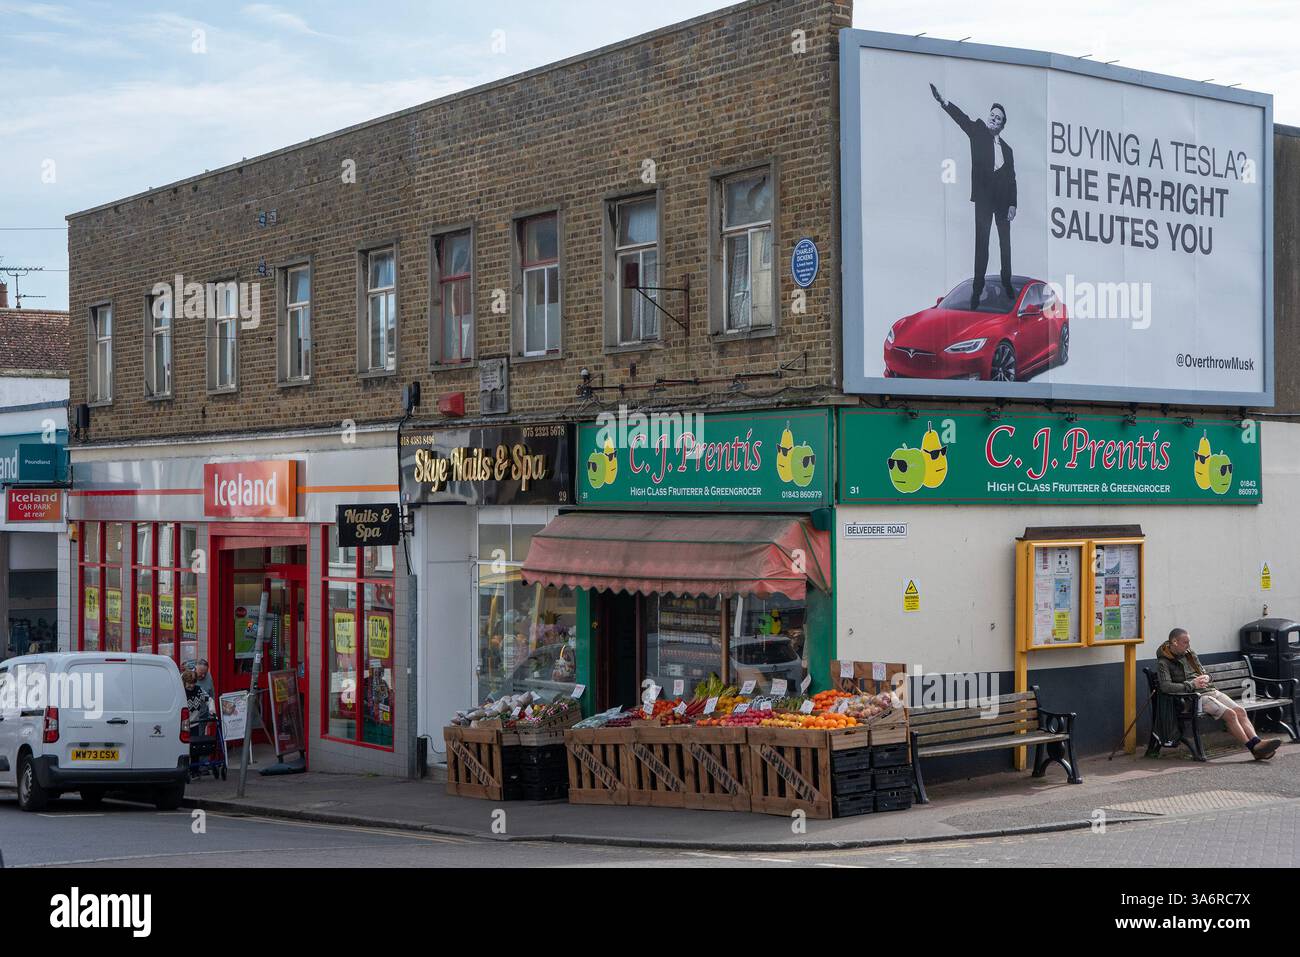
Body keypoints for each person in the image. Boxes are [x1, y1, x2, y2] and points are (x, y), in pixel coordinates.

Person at [930, 83, 1018, 308]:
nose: (993, 120)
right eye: (992, 115)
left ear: (1002, 125)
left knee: (1005, 243)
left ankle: (1007, 282)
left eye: (998, 119)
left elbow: (1012, 179)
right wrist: (943, 102)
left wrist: (1013, 204)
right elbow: (962, 119)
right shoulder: (978, 131)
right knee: (982, 242)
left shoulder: (1007, 150)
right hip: (984, 198)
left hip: (1002, 200)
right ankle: (978, 289)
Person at [1157, 628, 1279, 760]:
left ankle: (1258, 743)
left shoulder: (1190, 653)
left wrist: (1207, 678)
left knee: (1240, 711)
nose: (1188, 645)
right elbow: (1165, 687)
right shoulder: (1163, 662)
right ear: (1174, 642)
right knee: (1230, 715)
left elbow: (1204, 672)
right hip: (1193, 698)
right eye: (1185, 642)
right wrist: (1192, 685)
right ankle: (1253, 749)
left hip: (1210, 690)